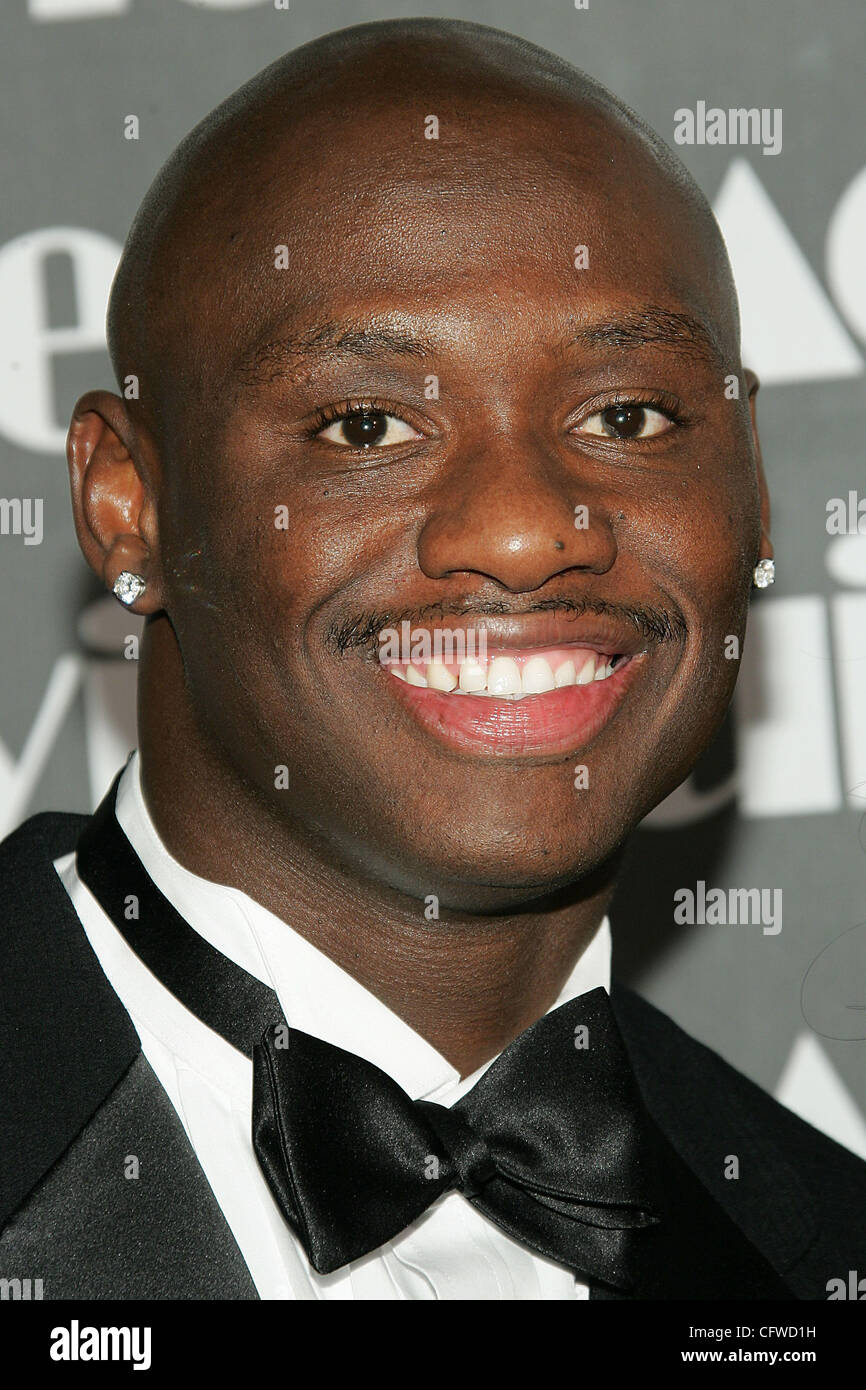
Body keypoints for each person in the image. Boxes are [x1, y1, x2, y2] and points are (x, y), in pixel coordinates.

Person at [1, 16, 862, 1301]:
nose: (524, 531)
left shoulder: (820, 1242)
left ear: (749, 485)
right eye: (366, 424)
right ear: (131, 501)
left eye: (624, 415)